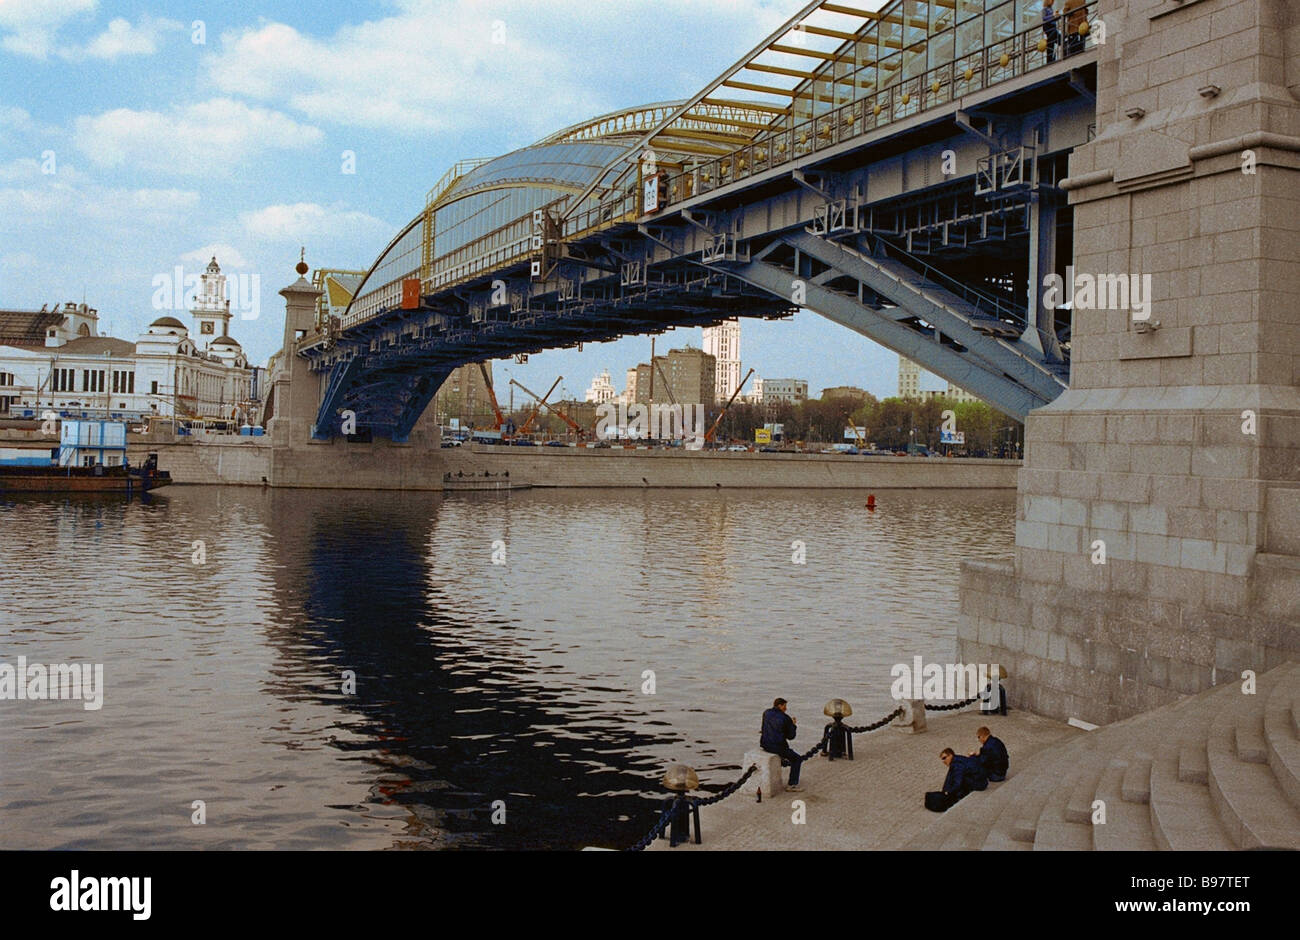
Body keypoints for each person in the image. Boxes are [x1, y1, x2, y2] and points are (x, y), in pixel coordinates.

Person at [760, 697, 804, 791]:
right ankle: (792, 784)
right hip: (777, 747)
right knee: (797, 759)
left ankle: (782, 760)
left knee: (783, 753)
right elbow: (791, 736)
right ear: (780, 705)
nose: (786, 708)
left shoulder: (766, 713)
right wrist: (793, 725)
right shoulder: (785, 718)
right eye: (785, 706)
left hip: (765, 744)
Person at [924, 747, 988, 812]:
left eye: (944, 758)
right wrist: (945, 789)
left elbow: (958, 782)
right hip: (981, 779)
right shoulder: (958, 759)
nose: (943, 761)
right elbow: (950, 776)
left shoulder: (957, 765)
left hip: (980, 783)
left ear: (950, 755)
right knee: (956, 776)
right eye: (942, 759)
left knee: (959, 780)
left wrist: (948, 792)